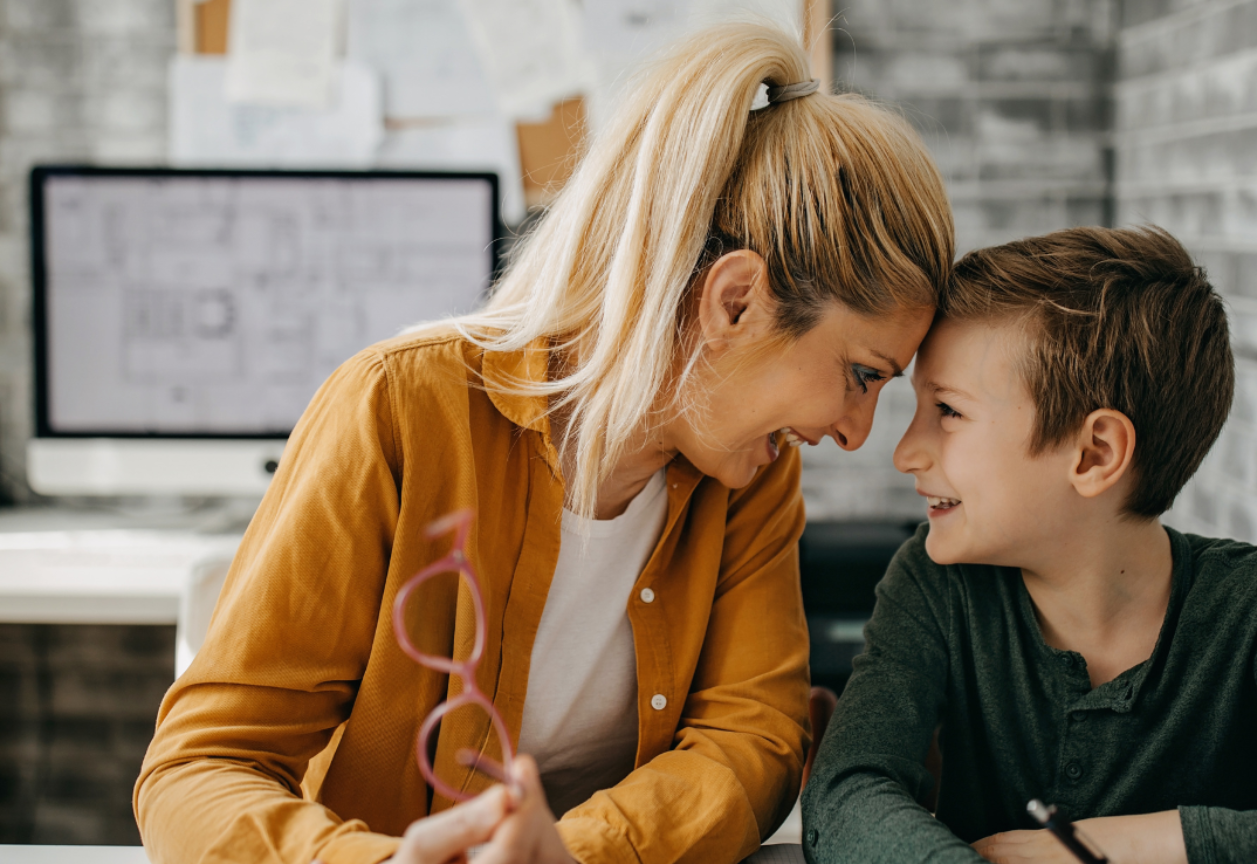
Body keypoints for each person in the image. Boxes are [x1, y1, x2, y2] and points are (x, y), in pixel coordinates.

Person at [135, 21, 954, 864]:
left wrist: (567, 856)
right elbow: (201, 768)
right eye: (861, 374)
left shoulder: (750, 477)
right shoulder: (398, 408)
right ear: (735, 302)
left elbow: (756, 737)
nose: (857, 436)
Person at [801, 226, 1257, 864]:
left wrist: (1113, 846)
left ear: (1094, 454)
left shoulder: (1249, 609)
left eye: (950, 412)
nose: (906, 451)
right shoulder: (937, 586)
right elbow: (848, 791)